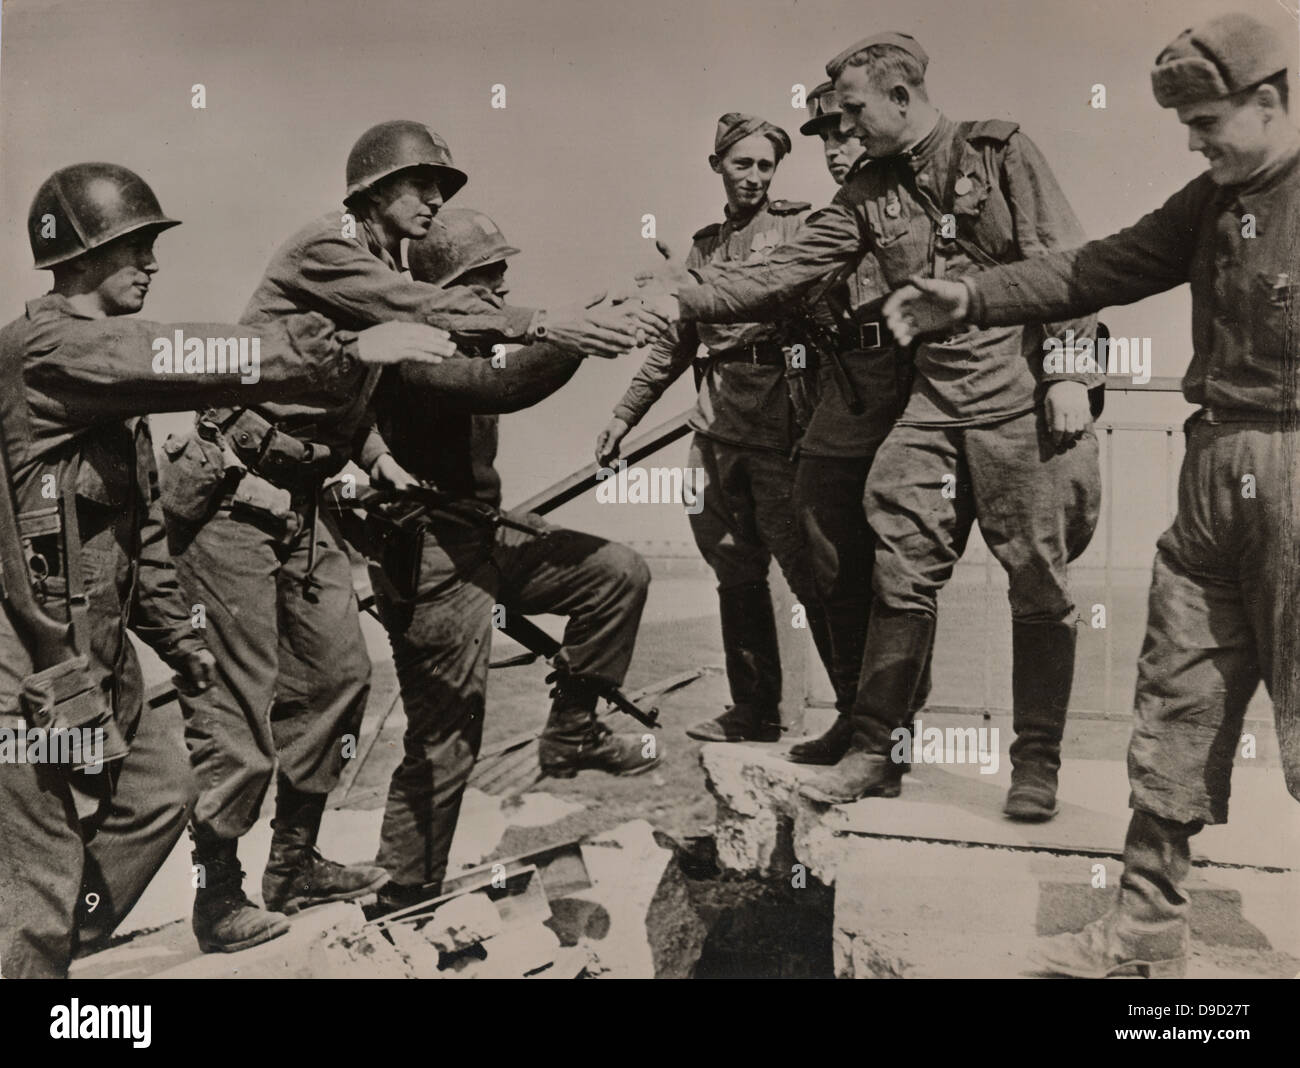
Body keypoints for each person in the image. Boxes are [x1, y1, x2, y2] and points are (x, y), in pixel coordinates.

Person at [162, 121, 661, 952]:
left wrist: (376, 452)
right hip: (232, 496)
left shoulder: (380, 270)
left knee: (340, 680)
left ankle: (294, 863)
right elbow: (431, 321)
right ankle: (218, 895)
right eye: (423, 184)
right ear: (371, 190)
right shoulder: (329, 248)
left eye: (443, 189)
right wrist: (559, 329)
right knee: (241, 705)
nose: (436, 199)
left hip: (302, 498)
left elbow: (335, 378)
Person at [884, 12, 1298, 978]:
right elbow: (1093, 264)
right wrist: (973, 298)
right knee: (1174, 696)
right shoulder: (1207, 203)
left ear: (1269, 102)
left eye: (1205, 120)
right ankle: (1145, 941)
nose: (1193, 141)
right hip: (1212, 478)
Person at [0, 162, 443, 978]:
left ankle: (59, 946)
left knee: (160, 790)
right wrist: (343, 350)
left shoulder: (106, 384)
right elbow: (190, 354)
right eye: (136, 247)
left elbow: (139, 540)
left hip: (93, 665)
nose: (152, 264)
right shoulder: (49, 348)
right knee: (41, 868)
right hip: (26, 667)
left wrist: (181, 641)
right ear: (85, 255)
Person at [647, 35, 1102, 816]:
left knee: (1036, 577)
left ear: (901, 97)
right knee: (898, 563)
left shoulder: (997, 154)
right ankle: (875, 749)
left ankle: (1037, 765)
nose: (846, 126)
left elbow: (1067, 261)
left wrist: (1068, 370)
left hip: (1015, 398)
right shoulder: (867, 191)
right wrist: (679, 296)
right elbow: (783, 269)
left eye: (855, 109)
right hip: (932, 401)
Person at [363, 208, 658, 913]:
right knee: (446, 737)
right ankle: (405, 887)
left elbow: (515, 358)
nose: (502, 297)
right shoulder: (415, 353)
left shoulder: (477, 342)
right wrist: (578, 335)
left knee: (616, 572)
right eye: (487, 283)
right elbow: (508, 385)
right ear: (448, 292)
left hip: (486, 538)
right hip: (431, 561)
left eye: (503, 282)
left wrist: (586, 315)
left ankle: (572, 732)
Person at [597, 112, 836, 745]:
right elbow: (675, 345)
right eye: (743, 164)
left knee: (810, 573)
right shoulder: (701, 247)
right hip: (715, 427)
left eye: (766, 165)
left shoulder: (798, 228)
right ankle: (753, 711)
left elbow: (790, 298)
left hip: (781, 426)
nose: (755, 177)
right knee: (733, 568)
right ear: (718, 167)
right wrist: (624, 414)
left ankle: (861, 724)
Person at [786, 80, 935, 766]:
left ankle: (891, 731)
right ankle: (855, 712)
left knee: (900, 567)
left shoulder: (918, 206)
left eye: (847, 133)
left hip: (913, 392)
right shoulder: (832, 221)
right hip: (845, 395)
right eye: (824, 140)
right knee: (823, 544)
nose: (837, 149)